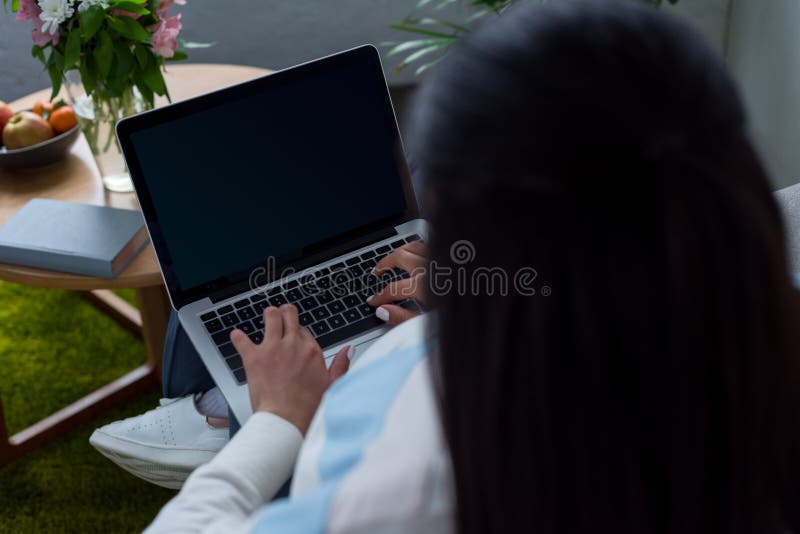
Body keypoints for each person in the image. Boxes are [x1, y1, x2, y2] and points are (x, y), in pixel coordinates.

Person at [92, 1, 800, 532]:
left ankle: (220, 420)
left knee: (214, 321)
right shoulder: (755, 350)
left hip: (316, 420)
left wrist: (280, 422)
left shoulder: (407, 486)